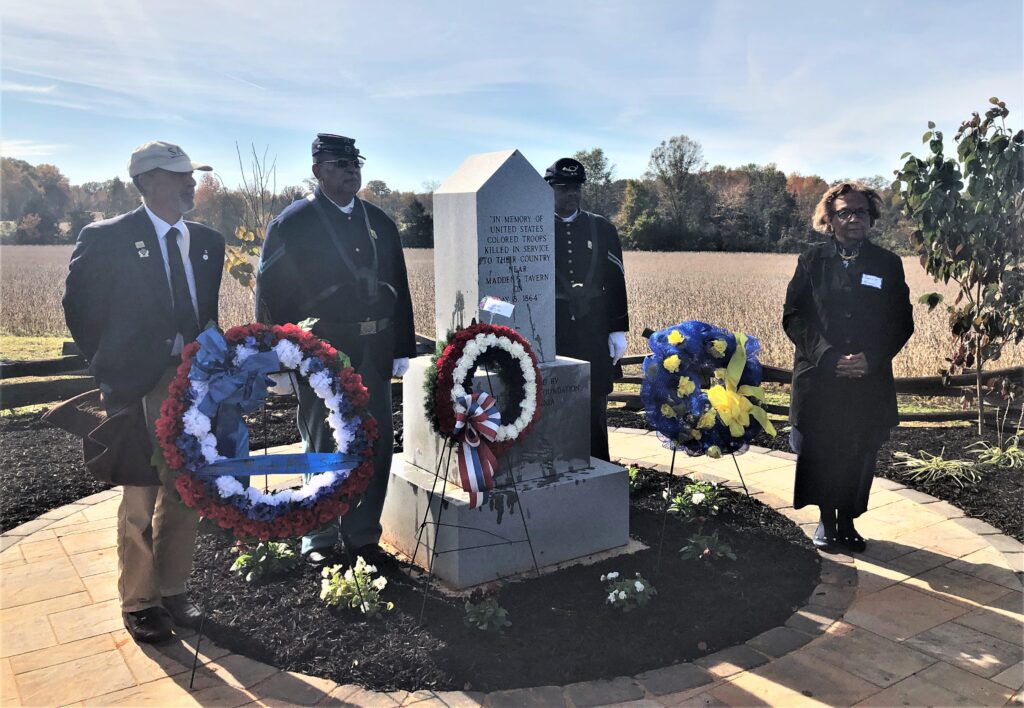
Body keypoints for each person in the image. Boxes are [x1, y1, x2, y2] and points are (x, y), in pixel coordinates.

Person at [63, 141, 225, 642]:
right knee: (140, 494)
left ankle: (172, 589)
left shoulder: (208, 242)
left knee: (185, 488)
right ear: (147, 181)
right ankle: (139, 602)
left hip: (192, 382)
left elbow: (206, 312)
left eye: (191, 175)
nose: (190, 183)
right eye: (179, 175)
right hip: (136, 383)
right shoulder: (106, 238)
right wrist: (111, 367)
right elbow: (80, 310)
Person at [255, 134, 415, 565]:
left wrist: (402, 346)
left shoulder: (379, 222)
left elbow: (400, 286)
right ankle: (320, 537)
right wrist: (277, 358)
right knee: (324, 442)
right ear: (317, 171)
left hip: (374, 348)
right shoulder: (293, 223)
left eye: (354, 164)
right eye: (339, 165)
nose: (350, 171)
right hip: (320, 354)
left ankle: (363, 535)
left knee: (376, 444)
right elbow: (270, 293)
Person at [782, 182, 914, 553]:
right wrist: (828, 357)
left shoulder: (888, 264)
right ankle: (826, 519)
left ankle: (848, 520)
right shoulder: (811, 261)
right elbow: (794, 317)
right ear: (830, 219)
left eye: (861, 211)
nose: (854, 218)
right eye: (845, 212)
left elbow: (901, 321)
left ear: (871, 218)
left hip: (867, 379)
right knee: (822, 448)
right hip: (820, 377)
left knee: (859, 451)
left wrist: (871, 357)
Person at [545, 157, 630, 462]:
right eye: (563, 188)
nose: (572, 194)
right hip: (553, 328)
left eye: (576, 188)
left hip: (593, 328)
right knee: (553, 401)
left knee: (595, 401)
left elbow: (615, 279)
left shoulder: (601, 228)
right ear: (549, 190)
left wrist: (618, 329)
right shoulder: (535, 226)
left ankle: (598, 465)